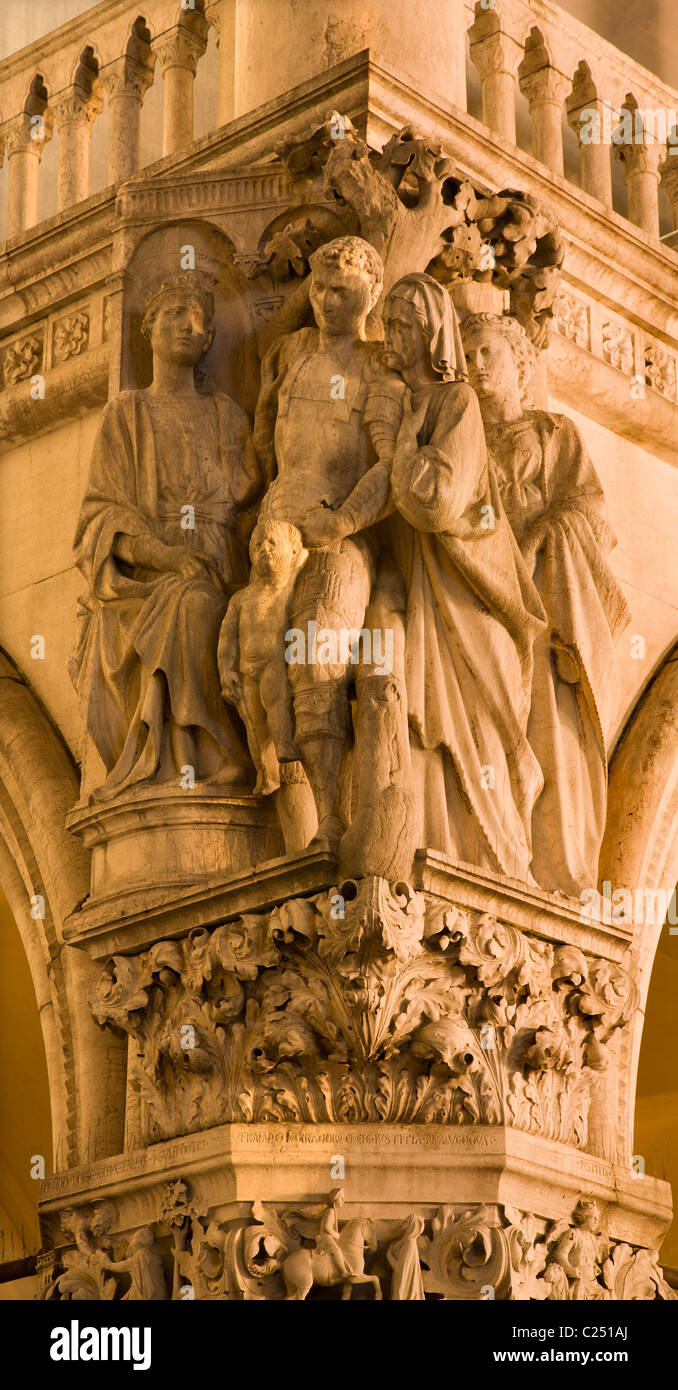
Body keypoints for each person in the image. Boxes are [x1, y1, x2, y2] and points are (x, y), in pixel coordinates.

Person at [374, 273, 546, 882]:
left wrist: (390, 439)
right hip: (422, 585)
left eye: (400, 325)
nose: (388, 336)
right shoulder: (397, 401)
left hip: (469, 582)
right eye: (387, 323)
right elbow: (374, 496)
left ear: (428, 331)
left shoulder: (456, 403)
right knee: (425, 718)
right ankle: (440, 847)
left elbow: (437, 502)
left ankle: (503, 856)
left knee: (482, 721)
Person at [69, 270, 260, 799]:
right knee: (190, 603)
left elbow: (252, 499)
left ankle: (211, 752)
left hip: (221, 566)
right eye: (175, 313)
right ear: (148, 328)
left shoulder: (227, 416)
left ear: (209, 340)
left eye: (200, 318)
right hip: (146, 578)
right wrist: (168, 557)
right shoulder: (126, 414)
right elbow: (101, 521)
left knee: (205, 602)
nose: (189, 325)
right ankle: (207, 752)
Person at [462, 312, 630, 894]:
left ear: (520, 363)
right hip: (481, 598)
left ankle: (559, 870)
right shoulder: (461, 440)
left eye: (488, 353)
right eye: (467, 355)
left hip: (545, 606)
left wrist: (539, 537)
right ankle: (496, 852)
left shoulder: (553, 433)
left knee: (552, 726)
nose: (477, 365)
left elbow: (588, 508)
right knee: (488, 724)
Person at [254, 235, 397, 850]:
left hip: (339, 534)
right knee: (261, 675)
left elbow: (391, 464)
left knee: (318, 666)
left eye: (342, 290)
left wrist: (341, 522)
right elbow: (264, 440)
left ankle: (332, 825)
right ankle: (289, 819)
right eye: (318, 287)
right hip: (275, 525)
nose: (325, 300)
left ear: (372, 292)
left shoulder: (381, 365)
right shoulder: (288, 354)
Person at [218, 519, 307, 795]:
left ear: (291, 552)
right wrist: (226, 670)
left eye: (271, 543)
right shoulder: (242, 599)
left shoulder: (291, 589)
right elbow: (226, 639)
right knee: (253, 723)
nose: (264, 550)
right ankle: (266, 774)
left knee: (276, 701)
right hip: (247, 668)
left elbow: (305, 558)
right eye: (257, 545)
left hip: (275, 662)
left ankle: (286, 748)